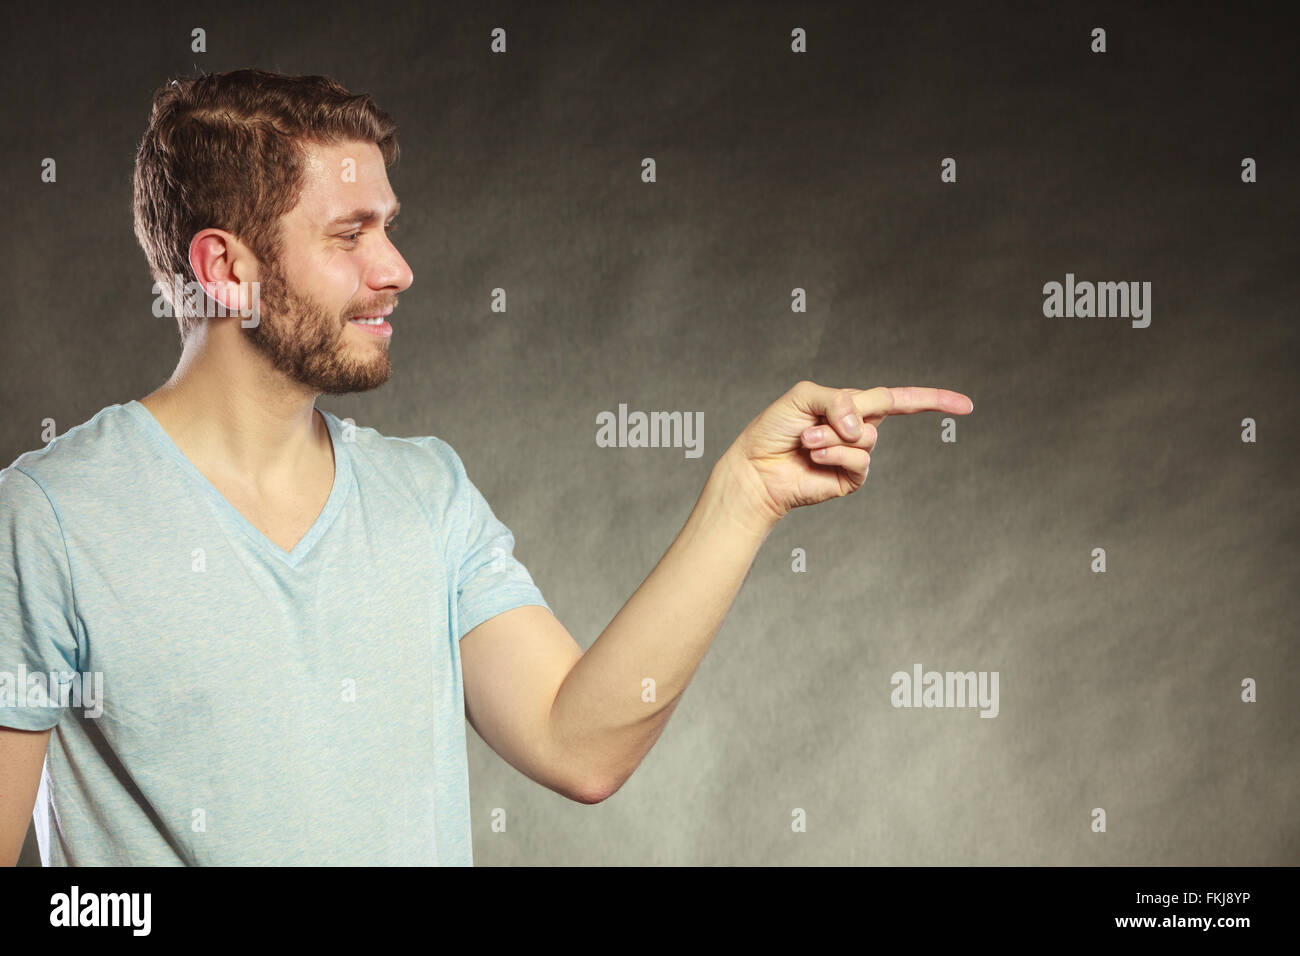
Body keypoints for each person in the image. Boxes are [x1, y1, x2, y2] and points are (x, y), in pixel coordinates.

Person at [0, 68, 972, 866]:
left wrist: (742, 499)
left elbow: (578, 743)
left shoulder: (427, 492)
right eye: (350, 234)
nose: (398, 267)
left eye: (388, 224)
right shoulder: (47, 516)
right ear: (225, 268)